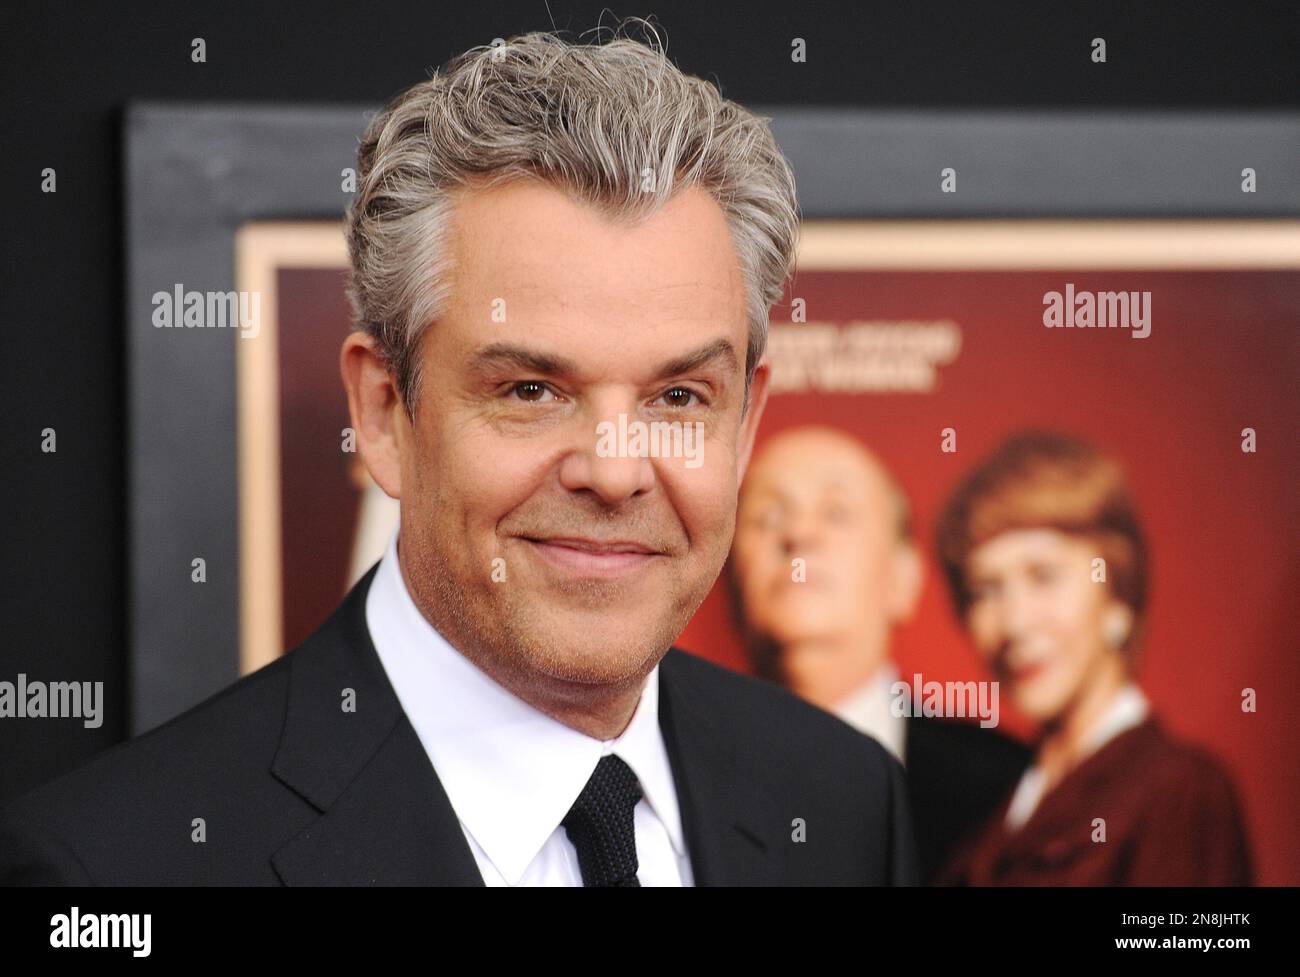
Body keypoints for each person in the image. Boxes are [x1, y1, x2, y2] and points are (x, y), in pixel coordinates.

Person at [0, 24, 917, 886]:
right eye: (530, 391)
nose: (615, 468)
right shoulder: (112, 867)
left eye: (678, 397)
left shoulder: (840, 801)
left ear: (746, 424)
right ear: (386, 412)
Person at [932, 431, 1252, 884]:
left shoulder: (1179, 792)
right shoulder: (997, 806)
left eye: (1043, 576)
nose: (1014, 623)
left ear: (1117, 593)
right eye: (985, 591)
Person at [730, 425, 1029, 881]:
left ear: (903, 578)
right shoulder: (673, 780)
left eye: (836, 513)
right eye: (767, 517)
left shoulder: (1007, 790)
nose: (799, 534)